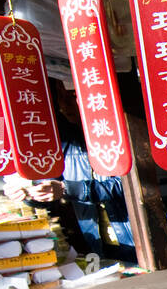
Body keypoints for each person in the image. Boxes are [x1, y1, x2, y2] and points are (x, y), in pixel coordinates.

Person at [8, 85, 135, 263]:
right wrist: (30, 195)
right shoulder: (65, 145)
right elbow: (52, 191)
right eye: (61, 99)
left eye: (71, 97)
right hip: (97, 242)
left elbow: (127, 185)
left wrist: (70, 189)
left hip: (134, 237)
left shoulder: (118, 134)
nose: (65, 106)